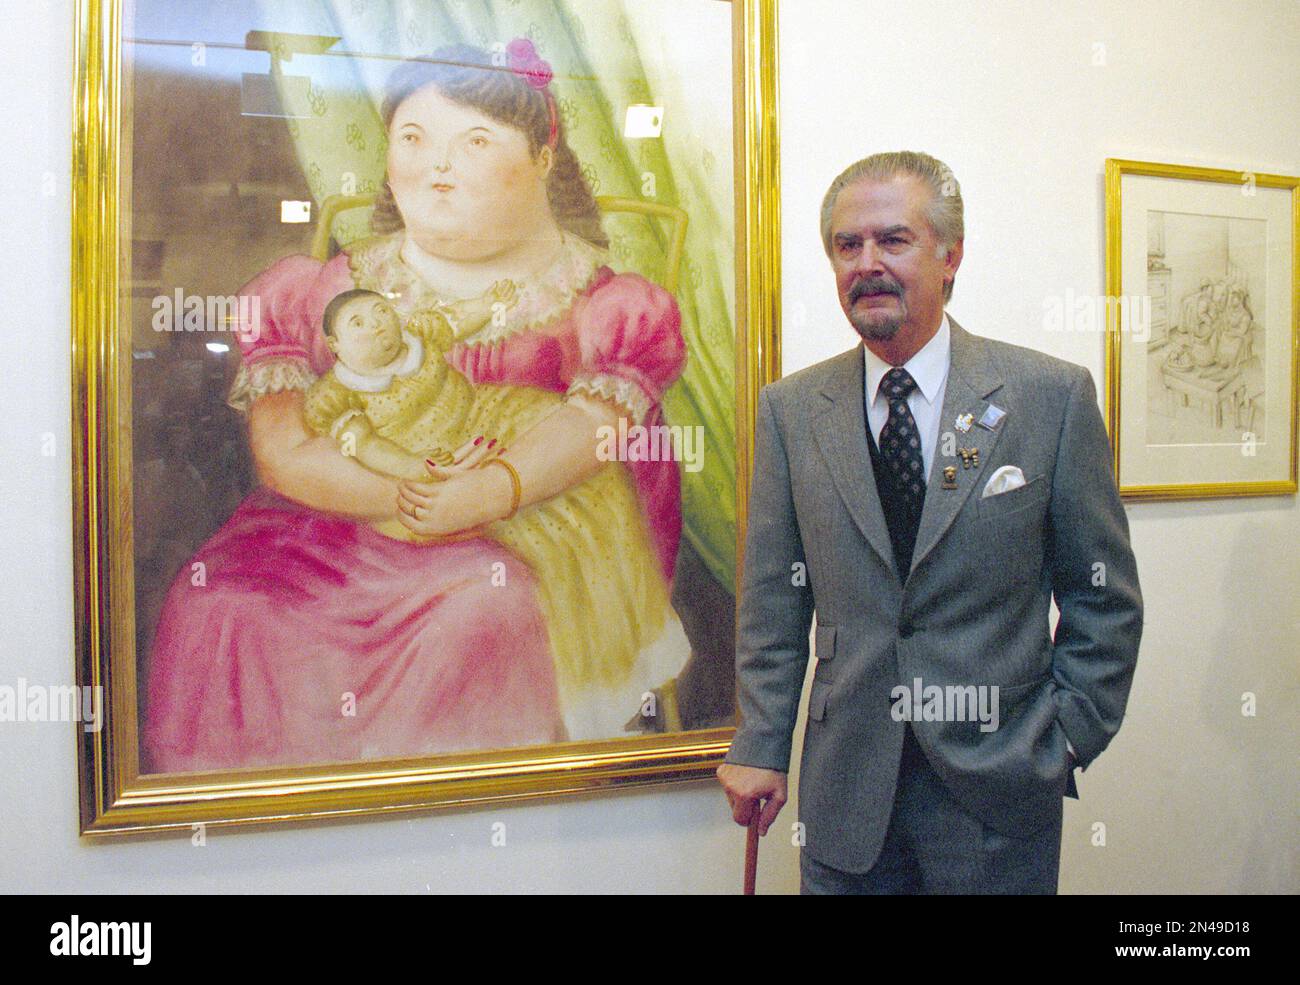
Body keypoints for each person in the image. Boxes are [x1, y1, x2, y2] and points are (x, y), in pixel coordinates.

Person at [142, 40, 689, 771]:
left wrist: (482, 491)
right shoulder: (327, 289)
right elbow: (282, 447)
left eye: (474, 141)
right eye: (414, 137)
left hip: (534, 516)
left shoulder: (601, 302)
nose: (438, 165)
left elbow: (591, 429)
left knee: (473, 611)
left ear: (543, 157)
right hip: (333, 512)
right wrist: (402, 493)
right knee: (215, 602)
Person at [716, 151, 1143, 894]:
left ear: (951, 257)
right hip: (846, 800)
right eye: (847, 246)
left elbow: (1104, 599)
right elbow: (773, 603)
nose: (867, 263)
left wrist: (1065, 738)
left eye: (893, 240)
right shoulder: (791, 411)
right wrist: (760, 740)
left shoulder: (1050, 399)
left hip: (998, 795)